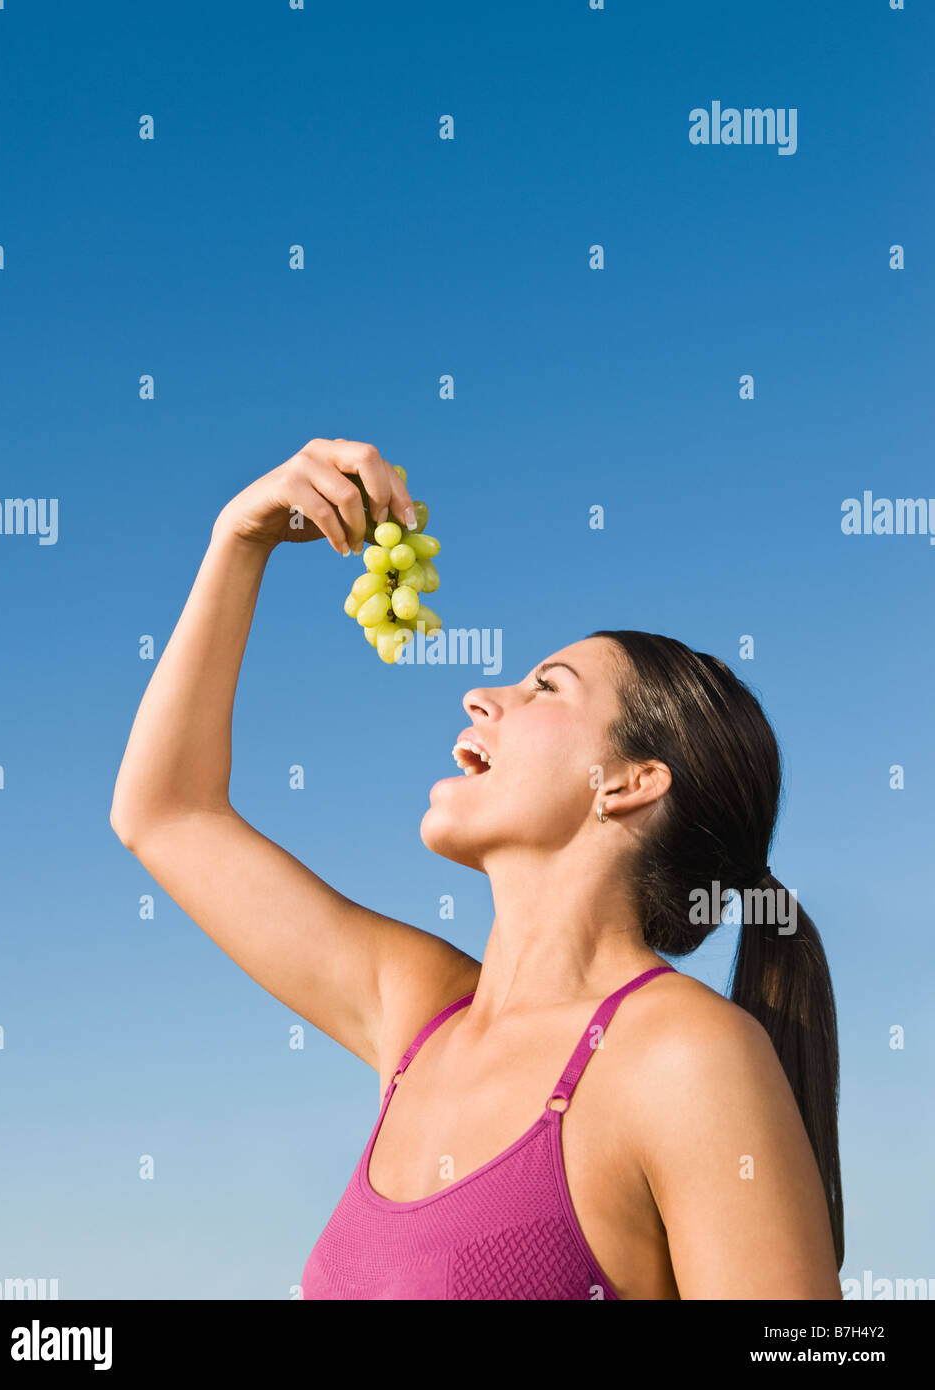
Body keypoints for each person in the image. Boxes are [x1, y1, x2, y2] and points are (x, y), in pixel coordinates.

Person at [110, 438, 843, 1300]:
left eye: (547, 688)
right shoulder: (417, 1014)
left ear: (630, 785)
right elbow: (165, 814)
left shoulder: (687, 1057)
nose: (481, 695)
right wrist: (240, 539)